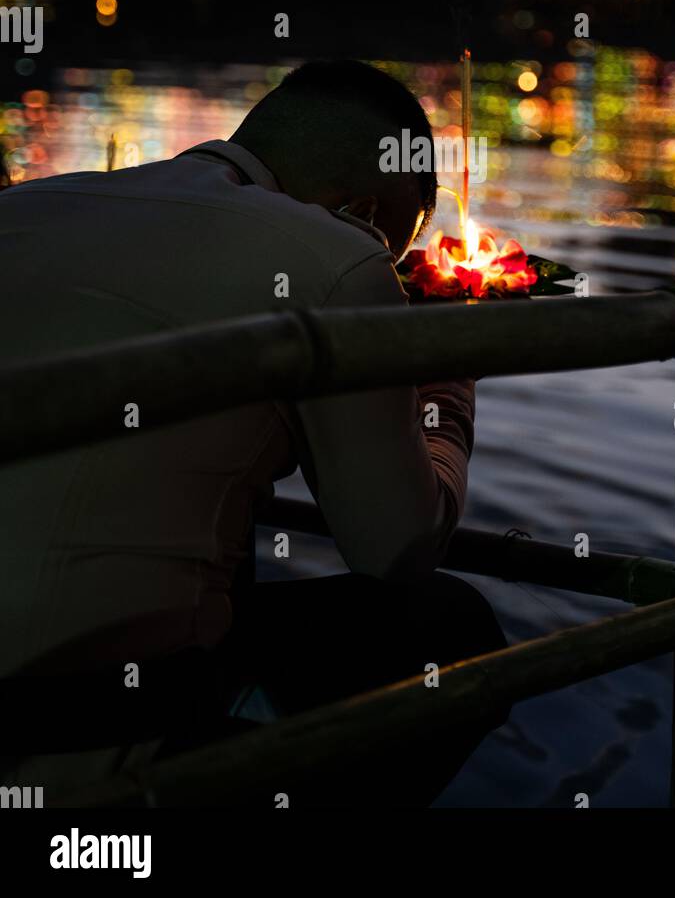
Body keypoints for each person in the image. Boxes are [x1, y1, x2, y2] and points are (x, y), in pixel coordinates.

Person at [0, 60, 507, 806]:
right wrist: (446, 375)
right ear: (362, 213)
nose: (390, 272)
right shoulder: (341, 258)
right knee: (447, 628)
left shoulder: (25, 208)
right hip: (81, 737)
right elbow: (396, 547)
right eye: (397, 249)